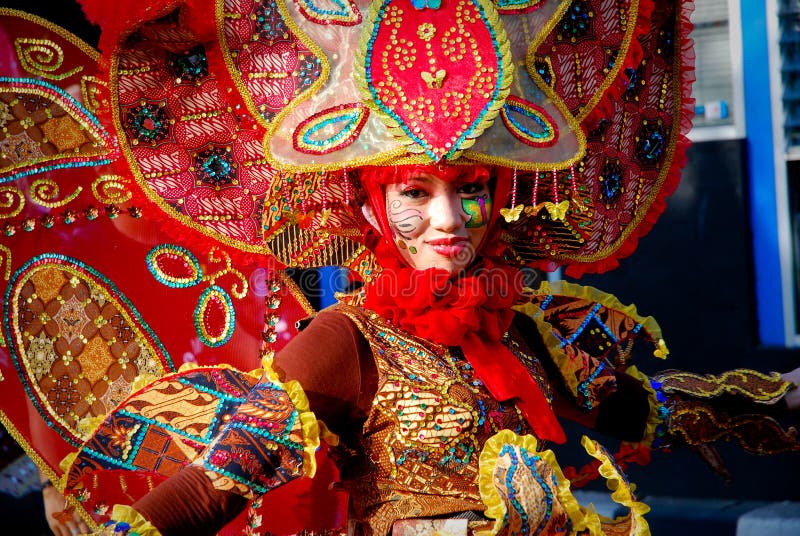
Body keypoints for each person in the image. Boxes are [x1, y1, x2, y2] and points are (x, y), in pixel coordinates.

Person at [90, 164, 800, 536]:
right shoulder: (345, 340)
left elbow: (635, 412)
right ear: (370, 207)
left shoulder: (520, 324)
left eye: (470, 190)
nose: (449, 220)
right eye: (416, 192)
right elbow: (216, 484)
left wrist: (776, 395)